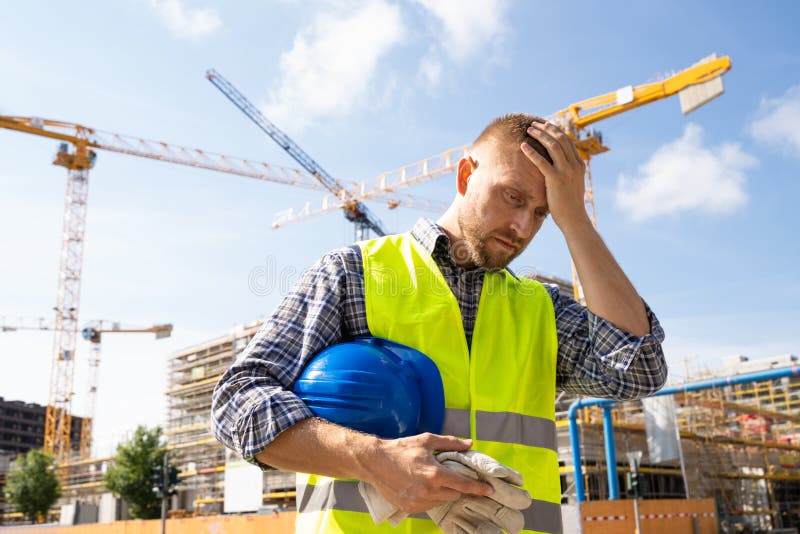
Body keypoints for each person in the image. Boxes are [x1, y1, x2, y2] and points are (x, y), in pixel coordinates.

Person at [211, 113, 667, 533]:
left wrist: (576, 222)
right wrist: (374, 460)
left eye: (542, 213)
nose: (524, 227)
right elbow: (237, 404)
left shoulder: (541, 308)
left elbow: (639, 368)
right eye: (514, 197)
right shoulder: (354, 275)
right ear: (466, 175)